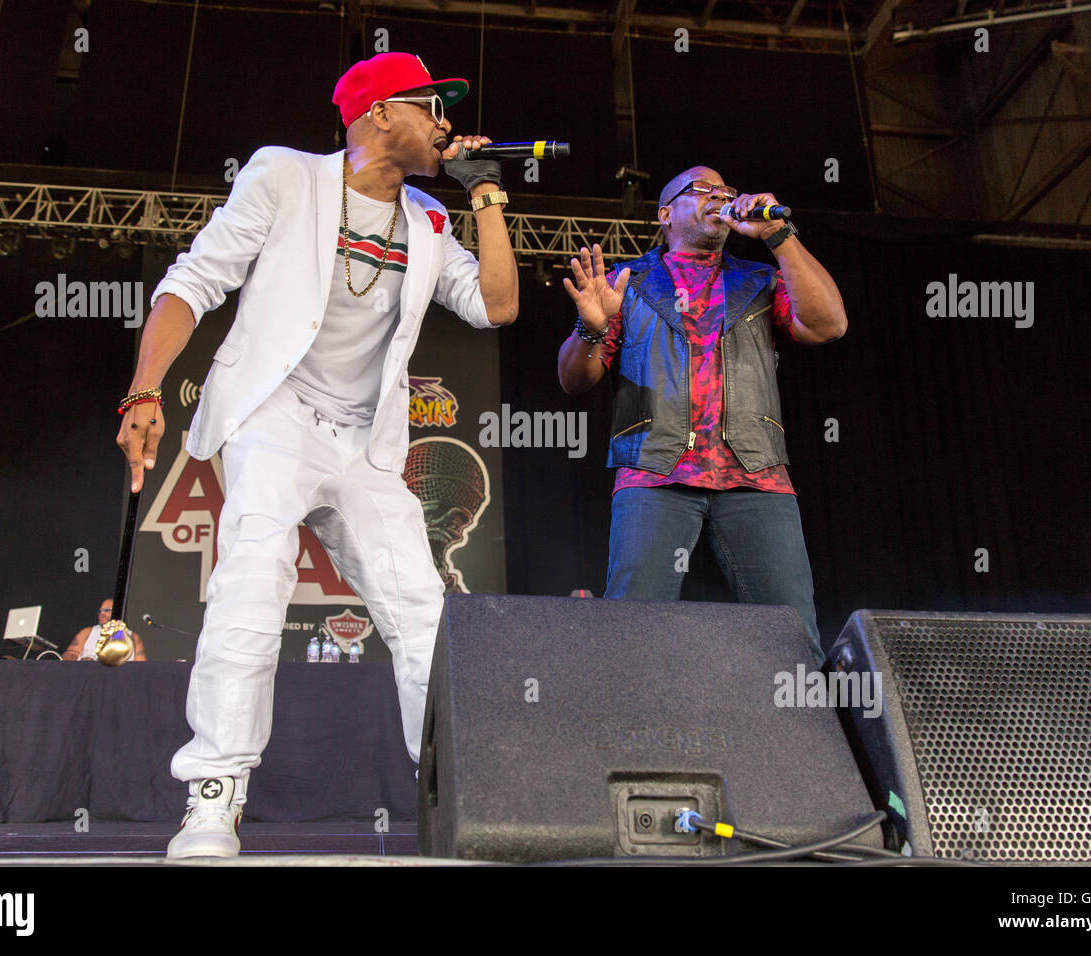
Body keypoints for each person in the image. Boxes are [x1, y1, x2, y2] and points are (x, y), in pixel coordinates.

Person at [114, 52, 517, 858]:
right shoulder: (286, 177)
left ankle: (460, 799)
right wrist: (145, 390)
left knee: (423, 614)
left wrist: (484, 194)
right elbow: (195, 280)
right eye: (431, 105)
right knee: (252, 583)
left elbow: (497, 306)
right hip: (276, 412)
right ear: (378, 115)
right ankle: (213, 799)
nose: (445, 121)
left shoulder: (433, 224)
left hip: (367, 440)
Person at [557, 167, 846, 666]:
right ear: (666, 214)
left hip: (756, 474)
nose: (721, 197)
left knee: (794, 640)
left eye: (727, 192)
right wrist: (590, 328)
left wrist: (779, 235)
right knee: (633, 635)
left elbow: (829, 324)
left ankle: (800, 740)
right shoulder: (629, 282)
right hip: (655, 469)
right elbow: (574, 380)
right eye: (704, 190)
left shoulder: (758, 279)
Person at [62, 598, 146, 661]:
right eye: (100, 611)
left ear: (118, 612)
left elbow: (140, 668)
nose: (101, 614)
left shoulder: (133, 637)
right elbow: (69, 655)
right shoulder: (87, 632)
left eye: (106, 610)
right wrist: (81, 660)